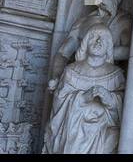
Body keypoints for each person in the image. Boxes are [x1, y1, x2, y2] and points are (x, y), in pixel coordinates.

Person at [44, 19, 124, 154]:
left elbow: (124, 107)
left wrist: (109, 99)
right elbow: (58, 103)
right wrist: (83, 98)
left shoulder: (115, 75)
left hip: (103, 132)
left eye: (103, 38)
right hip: (72, 129)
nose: (98, 41)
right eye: (93, 36)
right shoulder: (71, 71)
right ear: (85, 42)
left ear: (109, 45)